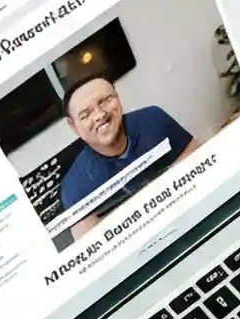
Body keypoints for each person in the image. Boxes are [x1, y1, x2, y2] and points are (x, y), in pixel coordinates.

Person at [59, 74, 201, 237]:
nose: (99, 115)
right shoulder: (74, 187)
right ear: (73, 126)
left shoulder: (154, 119)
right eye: (85, 114)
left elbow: (199, 161)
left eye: (105, 100)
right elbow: (94, 246)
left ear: (118, 98)